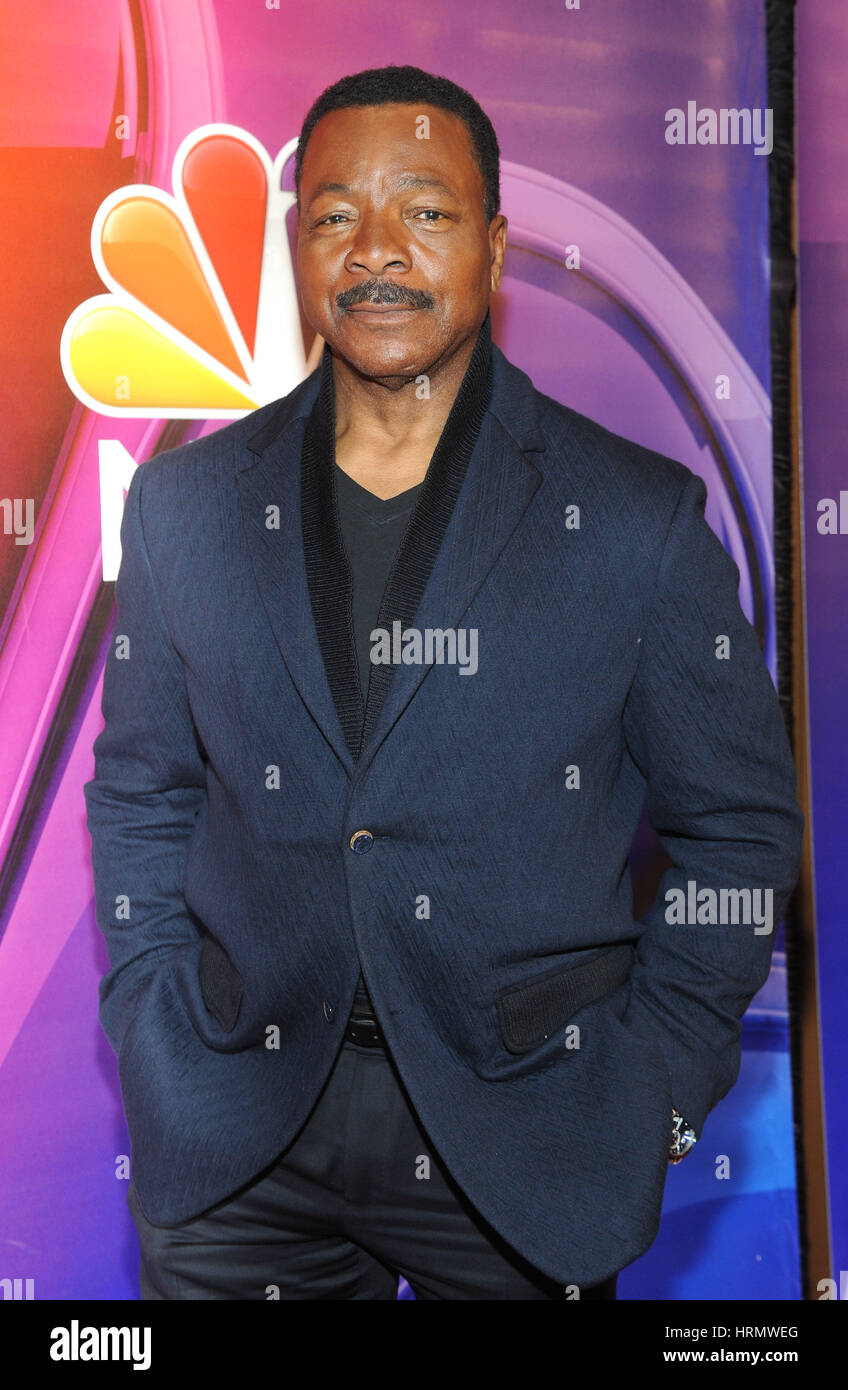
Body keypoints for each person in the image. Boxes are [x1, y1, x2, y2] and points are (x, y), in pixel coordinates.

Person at [84, 64, 804, 1301]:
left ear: (494, 243)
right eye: (331, 214)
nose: (375, 250)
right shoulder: (184, 508)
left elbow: (738, 833)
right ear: (297, 246)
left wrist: (653, 1082)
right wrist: (156, 1032)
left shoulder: (630, 520)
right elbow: (142, 791)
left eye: (423, 209)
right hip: (239, 1133)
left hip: (528, 1141)